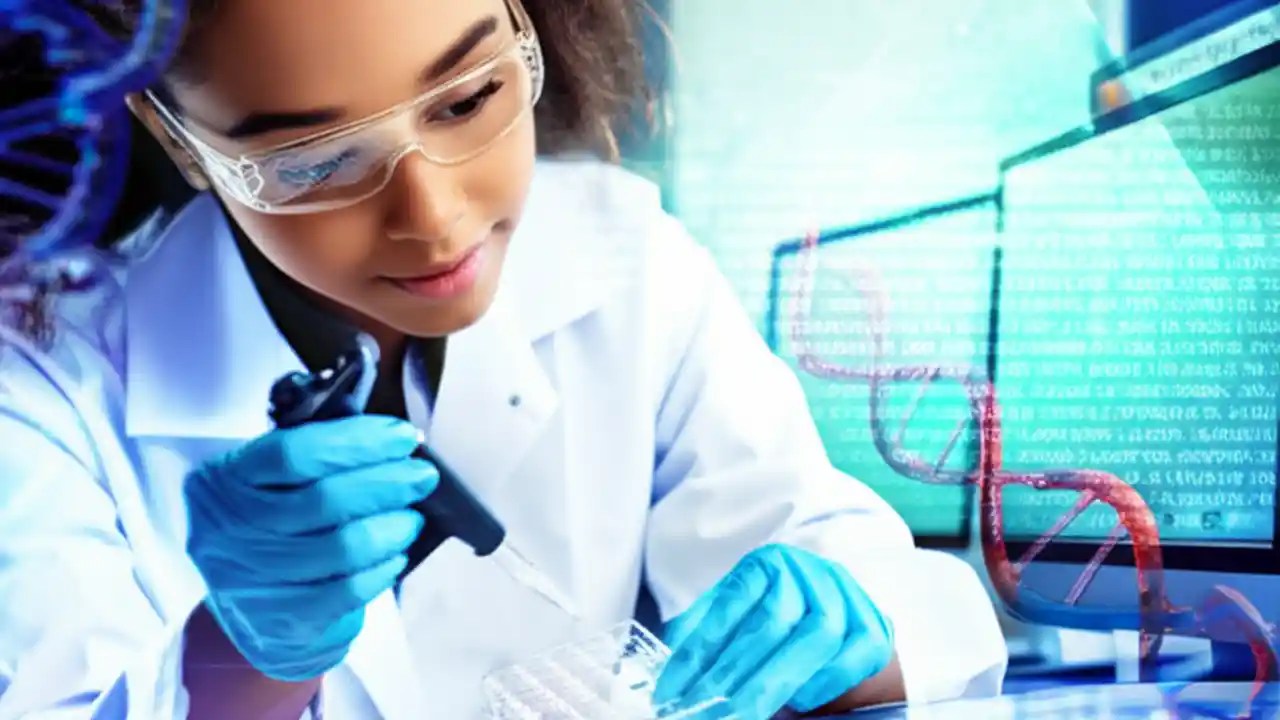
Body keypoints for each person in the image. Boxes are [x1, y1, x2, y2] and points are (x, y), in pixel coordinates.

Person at [0, 0, 1008, 717]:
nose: (434, 220)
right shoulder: (40, 378)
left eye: (466, 98)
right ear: (178, 139)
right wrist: (236, 666)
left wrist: (852, 626)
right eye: (311, 160)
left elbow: (862, 579)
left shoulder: (624, 258)